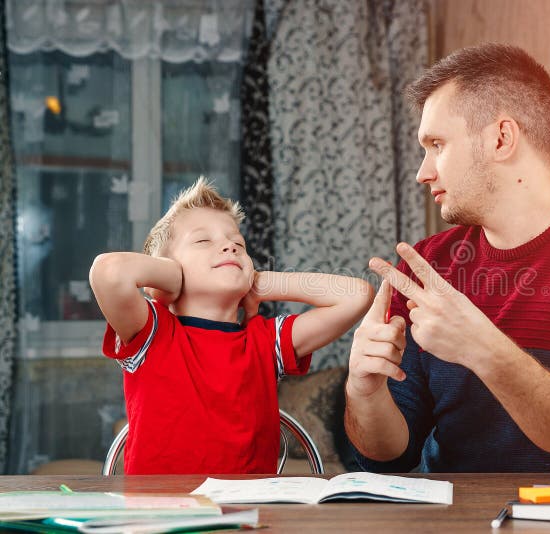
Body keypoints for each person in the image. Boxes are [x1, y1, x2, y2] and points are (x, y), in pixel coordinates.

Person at [344, 43, 550, 473]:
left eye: (437, 145)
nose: (422, 172)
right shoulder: (427, 264)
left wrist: (482, 348)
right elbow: (390, 458)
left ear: (501, 139)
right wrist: (364, 390)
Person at [90, 178, 372, 474]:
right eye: (203, 241)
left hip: (250, 514)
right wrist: (171, 278)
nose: (229, 247)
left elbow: (357, 295)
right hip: (162, 513)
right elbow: (109, 272)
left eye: (238, 243)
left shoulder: (265, 341)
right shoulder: (153, 332)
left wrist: (261, 282)